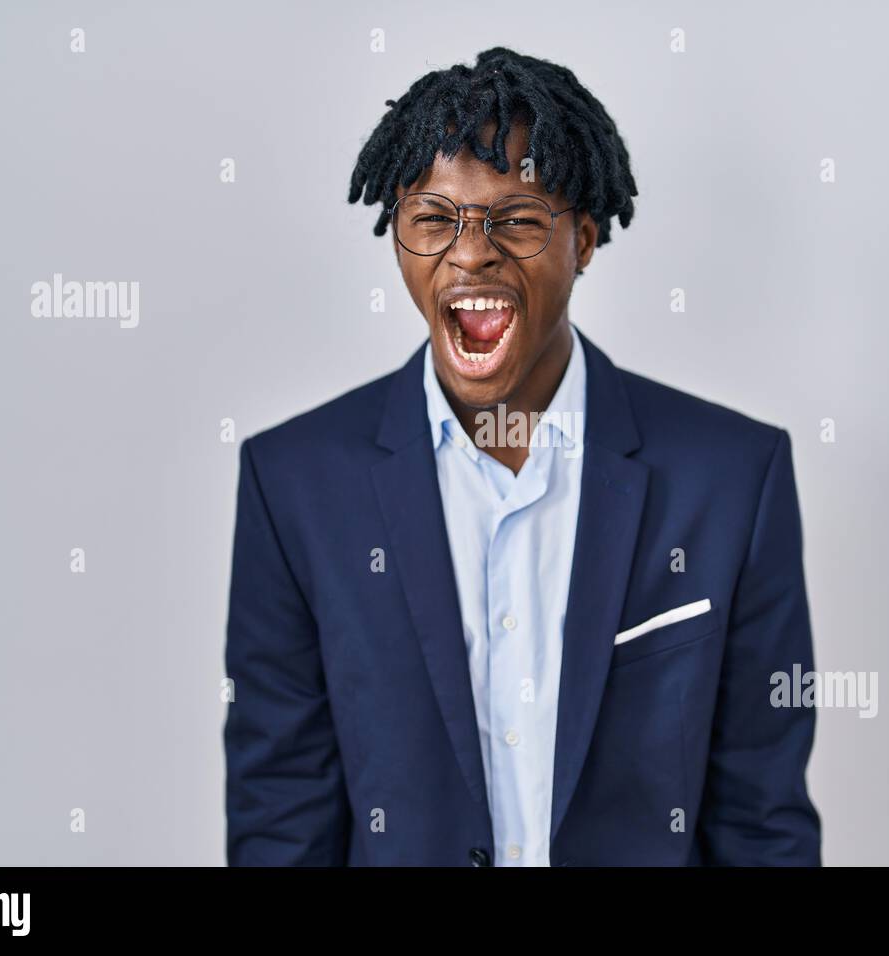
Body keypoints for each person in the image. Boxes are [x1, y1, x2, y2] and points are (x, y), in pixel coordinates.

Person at [224, 46, 820, 866]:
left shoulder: (730, 478)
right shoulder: (293, 485)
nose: (471, 254)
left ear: (583, 239)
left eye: (517, 219)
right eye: (434, 219)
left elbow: (762, 821)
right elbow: (281, 817)